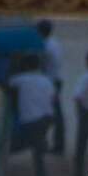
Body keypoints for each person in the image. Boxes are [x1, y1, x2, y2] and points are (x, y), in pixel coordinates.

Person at [8, 54, 55, 176]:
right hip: (47, 117)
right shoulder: (46, 80)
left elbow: (9, 83)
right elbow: (54, 97)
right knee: (37, 145)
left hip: (31, 119)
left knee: (36, 149)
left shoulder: (21, 79)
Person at [36, 20, 65, 155]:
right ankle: (55, 144)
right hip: (54, 81)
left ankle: (57, 145)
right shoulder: (52, 43)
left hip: (52, 82)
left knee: (52, 113)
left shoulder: (46, 46)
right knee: (54, 113)